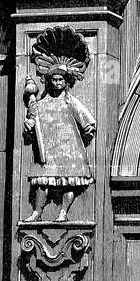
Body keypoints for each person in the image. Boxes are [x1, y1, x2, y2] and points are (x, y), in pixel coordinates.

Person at [23, 66, 96, 224]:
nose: (57, 83)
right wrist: (28, 125)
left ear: (65, 82)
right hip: (47, 148)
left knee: (69, 181)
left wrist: (86, 132)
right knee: (42, 181)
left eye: (60, 80)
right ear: (49, 82)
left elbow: (87, 120)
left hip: (69, 147)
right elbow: (32, 125)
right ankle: (37, 212)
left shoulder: (70, 101)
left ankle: (63, 212)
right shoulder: (40, 104)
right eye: (54, 80)